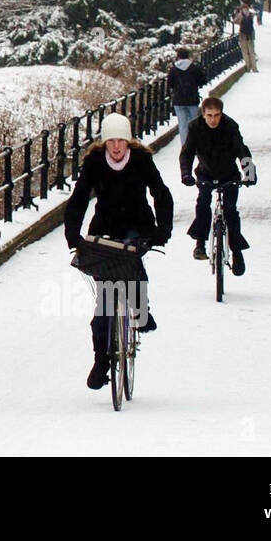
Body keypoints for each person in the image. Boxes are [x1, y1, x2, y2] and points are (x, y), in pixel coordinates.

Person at [64, 112, 173, 391]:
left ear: (128, 141)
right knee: (104, 302)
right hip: (105, 226)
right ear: (104, 142)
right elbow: (78, 199)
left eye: (121, 141)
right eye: (111, 141)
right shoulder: (94, 163)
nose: (116, 147)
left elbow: (160, 193)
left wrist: (163, 229)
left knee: (132, 267)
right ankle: (102, 361)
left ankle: (140, 309)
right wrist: (73, 234)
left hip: (137, 224)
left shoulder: (140, 160)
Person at [179, 96, 256, 275]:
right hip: (206, 172)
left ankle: (237, 252)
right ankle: (200, 244)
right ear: (203, 114)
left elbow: (241, 150)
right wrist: (186, 174)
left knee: (230, 211)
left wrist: (249, 173)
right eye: (209, 115)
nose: (213, 120)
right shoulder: (195, 127)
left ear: (222, 114)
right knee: (203, 203)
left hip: (228, 173)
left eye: (217, 115)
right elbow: (187, 153)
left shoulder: (230, 126)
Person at [167, 47, 207, 148]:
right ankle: (196, 144)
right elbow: (203, 80)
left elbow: (170, 84)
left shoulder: (173, 69)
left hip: (178, 101)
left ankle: (185, 146)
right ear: (188, 56)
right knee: (194, 123)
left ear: (178, 56)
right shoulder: (194, 68)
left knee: (182, 125)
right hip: (192, 99)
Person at [233, 1, 258, 72]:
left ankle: (248, 67)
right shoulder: (251, 14)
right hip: (250, 35)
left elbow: (234, 21)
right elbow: (256, 14)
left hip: (243, 35)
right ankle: (254, 68)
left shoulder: (240, 15)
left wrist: (237, 14)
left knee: (245, 52)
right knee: (251, 52)